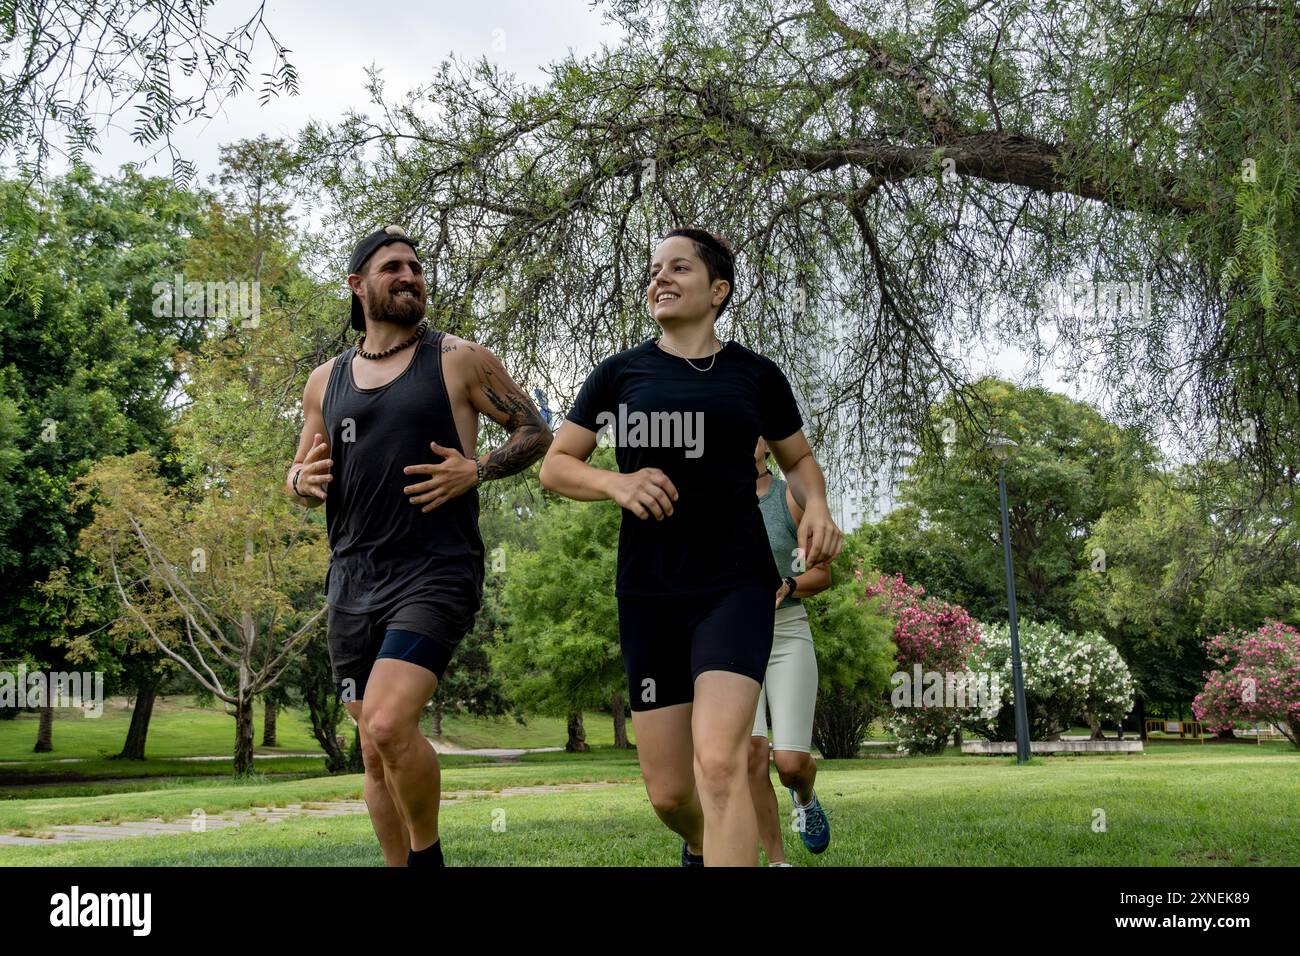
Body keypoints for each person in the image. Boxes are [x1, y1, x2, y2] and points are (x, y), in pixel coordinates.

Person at [539, 228, 842, 866]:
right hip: (650, 591)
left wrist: (815, 503)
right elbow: (557, 465)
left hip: (735, 584)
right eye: (653, 270)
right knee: (672, 793)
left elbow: (800, 460)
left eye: (679, 267)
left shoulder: (755, 376)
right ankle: (705, 846)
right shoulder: (620, 374)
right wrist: (614, 483)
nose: (660, 278)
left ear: (718, 289)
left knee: (722, 762)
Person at [285, 226, 551, 867]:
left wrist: (477, 469)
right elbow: (298, 472)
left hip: (436, 569)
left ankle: (428, 859)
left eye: (415, 268)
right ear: (358, 285)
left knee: (385, 722)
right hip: (351, 577)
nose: (409, 277)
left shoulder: (457, 359)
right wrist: (301, 481)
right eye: (392, 268)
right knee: (374, 750)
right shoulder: (325, 382)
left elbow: (535, 431)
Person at [746, 437, 832, 865]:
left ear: (766, 443)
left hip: (786, 633)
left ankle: (805, 796)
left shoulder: (788, 499)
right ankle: (778, 860)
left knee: (790, 763)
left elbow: (821, 572)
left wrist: (790, 584)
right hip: (734, 639)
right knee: (751, 755)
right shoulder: (711, 501)